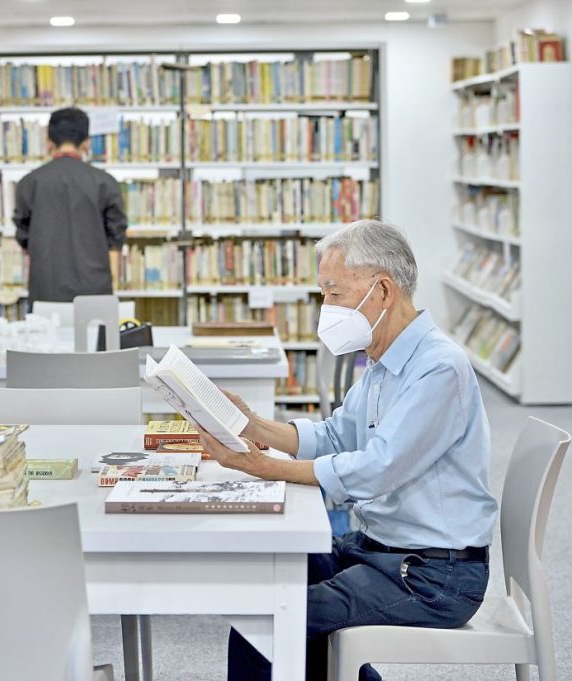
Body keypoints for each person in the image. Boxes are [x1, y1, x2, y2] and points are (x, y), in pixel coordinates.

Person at [197, 219, 497, 681]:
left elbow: (378, 469)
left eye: (334, 294)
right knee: (279, 575)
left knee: (267, 624)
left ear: (382, 291)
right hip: (381, 550)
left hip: (432, 576)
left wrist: (264, 467)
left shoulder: (439, 368)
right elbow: (337, 436)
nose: (326, 307)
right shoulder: (384, 361)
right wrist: (253, 425)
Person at [12, 107, 128, 304]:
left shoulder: (29, 183)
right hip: (94, 288)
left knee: (46, 334)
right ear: (86, 143)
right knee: (93, 335)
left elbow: (23, 236)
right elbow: (116, 236)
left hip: (45, 288)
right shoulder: (105, 182)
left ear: (48, 143)